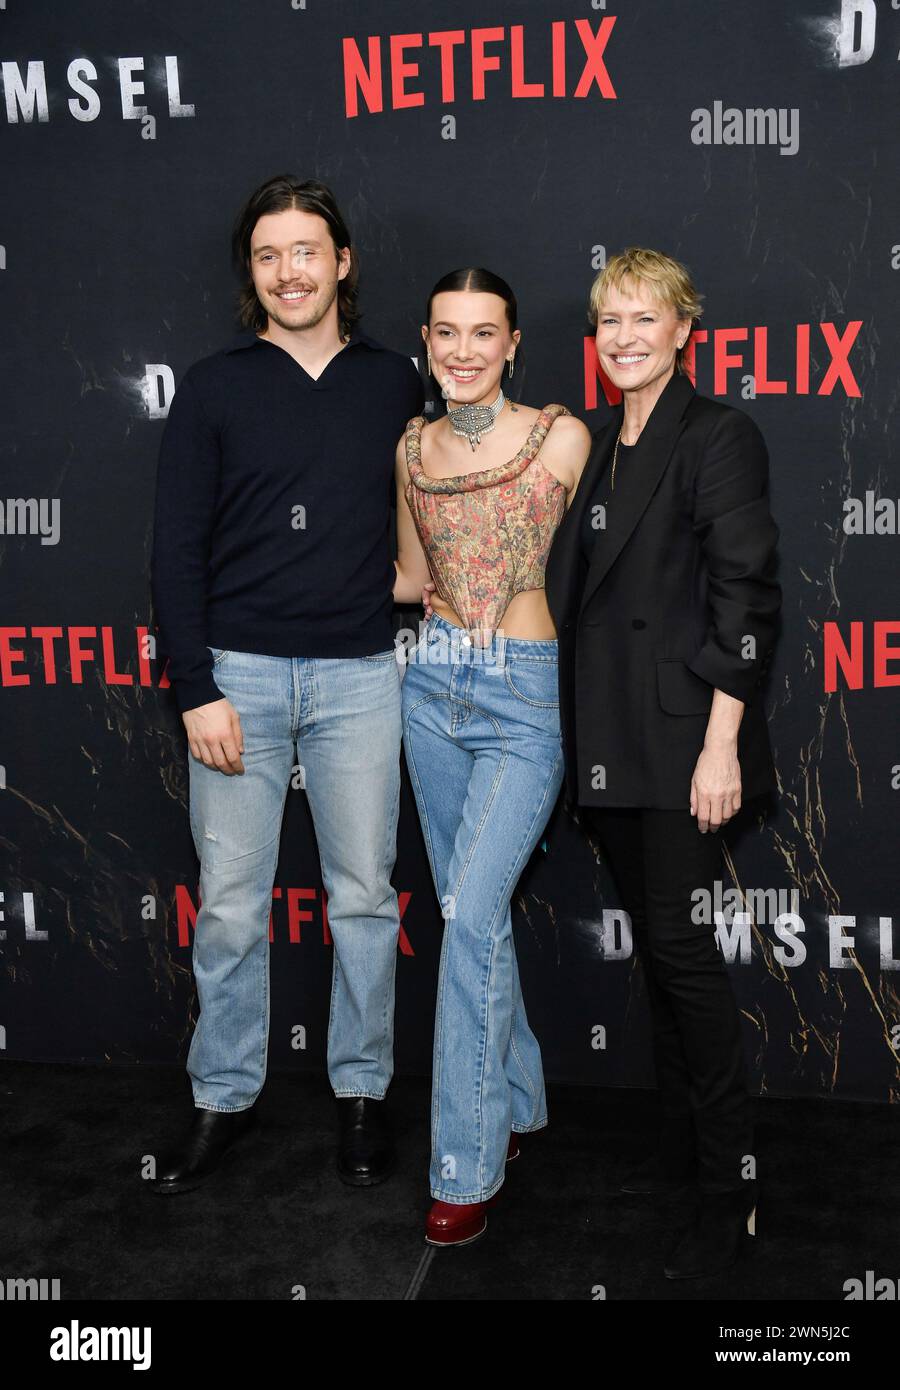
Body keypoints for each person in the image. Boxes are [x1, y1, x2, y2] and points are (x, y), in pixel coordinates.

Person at [148, 175, 424, 1194]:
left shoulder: (397, 379)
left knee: (361, 898)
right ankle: (223, 1096)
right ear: (251, 274)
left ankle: (362, 1096)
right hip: (238, 680)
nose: (289, 271)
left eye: (307, 250)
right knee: (227, 907)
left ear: (342, 263)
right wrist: (195, 687)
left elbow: (449, 484)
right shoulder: (216, 385)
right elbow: (174, 550)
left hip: (362, 674)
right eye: (268, 255)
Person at [544, 247, 781, 1279]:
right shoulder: (594, 443)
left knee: (683, 962)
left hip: (685, 747)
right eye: (610, 322)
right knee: (663, 962)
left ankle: (732, 1182)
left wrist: (721, 744)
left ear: (685, 329)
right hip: (610, 751)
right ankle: (686, 1158)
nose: (626, 337)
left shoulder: (717, 434)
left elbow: (748, 599)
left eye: (645, 319)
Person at [393, 268, 592, 1245]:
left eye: (483, 334)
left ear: (514, 343)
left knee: (471, 913)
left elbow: (563, 554)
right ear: (425, 341)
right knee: (471, 917)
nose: (463, 350)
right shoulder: (409, 446)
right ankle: (514, 1104)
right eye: (445, 333)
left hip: (522, 694)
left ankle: (465, 1169)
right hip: (429, 689)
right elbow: (411, 575)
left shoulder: (560, 434)